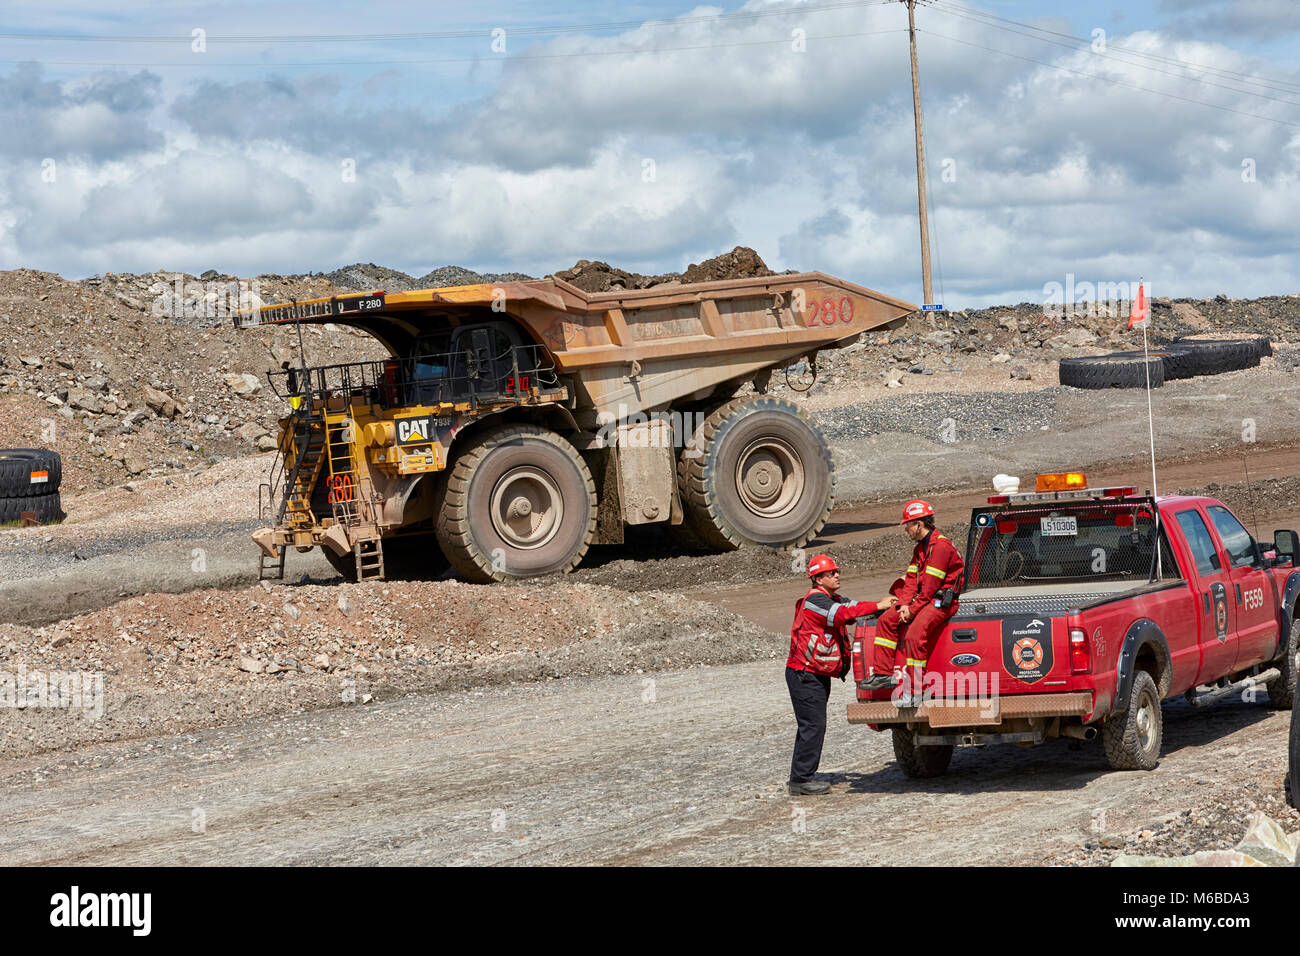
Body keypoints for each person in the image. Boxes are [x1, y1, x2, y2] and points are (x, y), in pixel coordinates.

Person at [786, 553, 896, 795]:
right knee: (812, 726)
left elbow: (852, 608)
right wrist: (878, 605)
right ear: (817, 578)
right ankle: (800, 780)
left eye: (837, 571)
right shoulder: (816, 601)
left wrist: (883, 607)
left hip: (814, 674)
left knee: (812, 725)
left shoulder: (830, 598)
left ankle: (801, 776)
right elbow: (842, 614)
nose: (837, 575)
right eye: (831, 573)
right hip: (804, 675)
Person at [862, 499, 964, 705]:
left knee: (915, 635)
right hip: (924, 599)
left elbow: (930, 588)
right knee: (885, 621)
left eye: (908, 524)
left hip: (940, 601)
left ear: (919, 524)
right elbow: (910, 582)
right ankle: (883, 674)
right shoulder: (920, 549)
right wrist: (902, 606)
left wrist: (912, 610)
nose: (906, 529)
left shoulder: (941, 547)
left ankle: (917, 690)